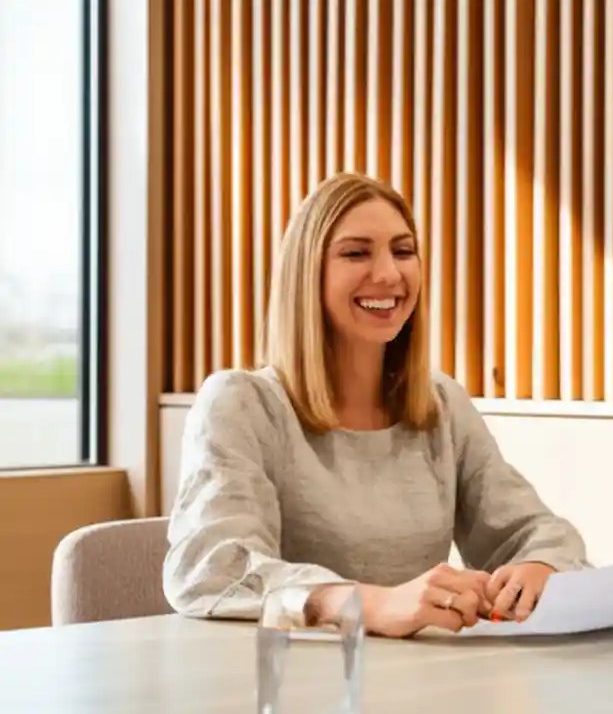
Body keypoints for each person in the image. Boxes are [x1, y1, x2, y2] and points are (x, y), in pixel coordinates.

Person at [163, 172, 589, 638]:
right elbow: (214, 569)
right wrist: (369, 604)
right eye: (356, 253)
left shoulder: (442, 404)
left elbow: (536, 529)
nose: (388, 274)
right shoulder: (240, 404)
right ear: (308, 273)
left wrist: (540, 563)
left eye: (403, 251)